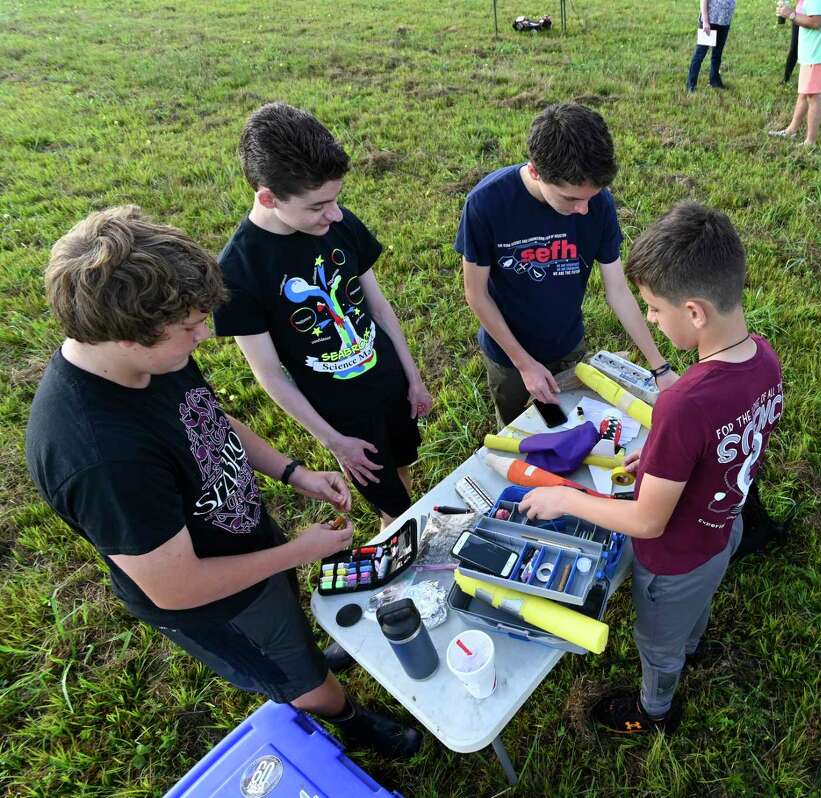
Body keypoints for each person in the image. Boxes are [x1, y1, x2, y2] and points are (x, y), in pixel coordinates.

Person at [25, 206, 421, 757]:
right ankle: (347, 716)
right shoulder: (98, 456)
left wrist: (293, 472)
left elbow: (205, 415)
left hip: (244, 546)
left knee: (293, 635)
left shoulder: (150, 360)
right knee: (295, 676)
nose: (204, 335)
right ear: (125, 336)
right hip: (215, 602)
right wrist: (297, 552)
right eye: (189, 328)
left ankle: (311, 661)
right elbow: (176, 586)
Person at [518, 202, 784, 735]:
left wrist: (565, 499)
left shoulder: (684, 402)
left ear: (695, 312)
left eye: (655, 312)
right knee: (696, 606)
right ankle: (693, 641)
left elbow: (647, 522)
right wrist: (667, 461)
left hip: (675, 560)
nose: (654, 323)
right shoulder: (763, 356)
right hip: (722, 531)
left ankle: (654, 710)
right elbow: (728, 447)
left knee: (656, 644)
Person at [214, 103, 431, 530]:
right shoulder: (240, 270)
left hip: (389, 380)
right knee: (394, 508)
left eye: (337, 200)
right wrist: (333, 441)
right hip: (344, 414)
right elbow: (270, 375)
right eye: (318, 207)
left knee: (404, 470)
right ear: (267, 198)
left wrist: (413, 376)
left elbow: (379, 307)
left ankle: (405, 512)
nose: (334, 215)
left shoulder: (338, 221)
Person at [457, 102, 679, 427]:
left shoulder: (597, 204)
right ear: (535, 171)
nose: (584, 210)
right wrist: (524, 364)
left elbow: (617, 291)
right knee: (519, 429)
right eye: (572, 199)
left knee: (570, 424)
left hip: (568, 344)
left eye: (591, 197)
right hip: (508, 354)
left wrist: (659, 368)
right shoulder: (486, 203)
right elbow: (476, 294)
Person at [769, 0, 821, 145]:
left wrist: (791, 14)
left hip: (818, 50)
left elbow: (816, 22)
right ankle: (791, 130)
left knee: (812, 96)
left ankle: (810, 142)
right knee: (805, 92)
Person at [687, 0, 736, 92]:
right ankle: (691, 85)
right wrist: (705, 21)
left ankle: (715, 82)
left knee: (717, 54)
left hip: (724, 21)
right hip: (710, 22)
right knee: (700, 55)